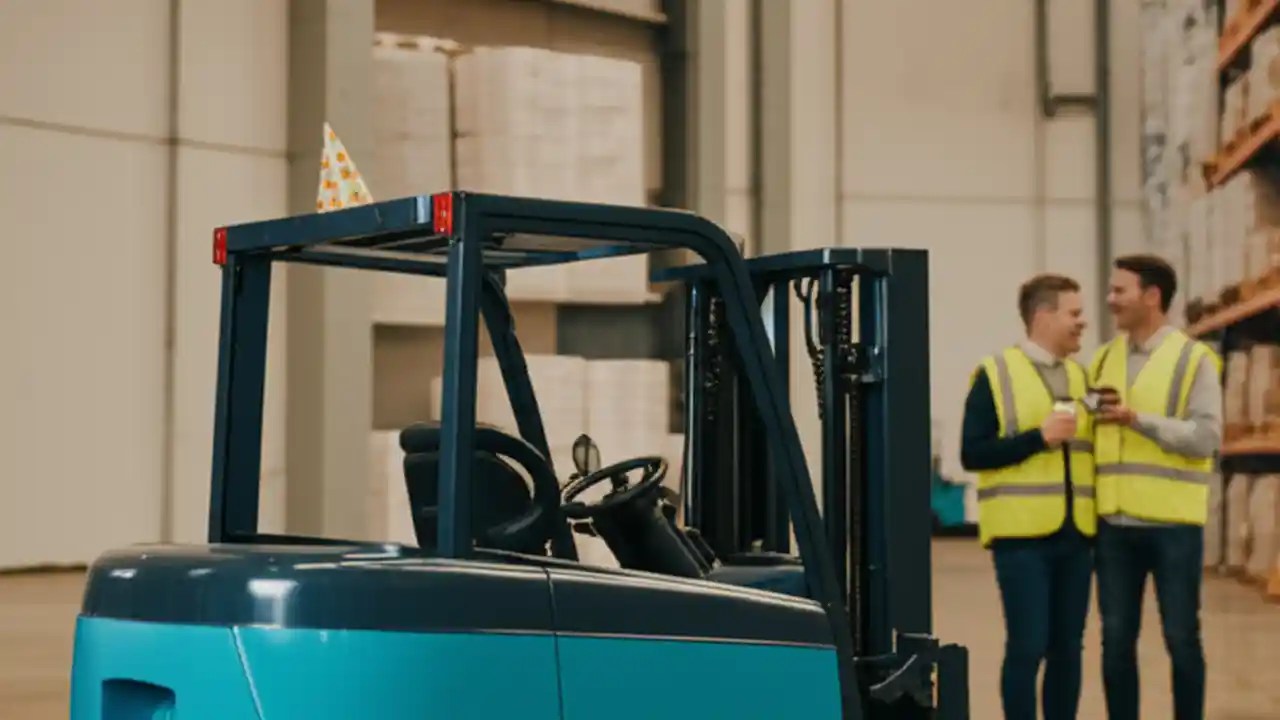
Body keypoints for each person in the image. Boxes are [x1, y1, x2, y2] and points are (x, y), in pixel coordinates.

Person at [1089, 254, 1222, 720]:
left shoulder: (1194, 360)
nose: (1110, 300)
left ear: (1152, 296)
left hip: (1173, 527)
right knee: (1115, 641)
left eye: (1119, 291)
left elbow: (1206, 437)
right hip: (1114, 525)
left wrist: (1137, 419)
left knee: (1182, 639)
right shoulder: (1103, 358)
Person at [960, 273, 1095, 720]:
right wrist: (1039, 438)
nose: (1083, 322)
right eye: (1074, 313)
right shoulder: (995, 375)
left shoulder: (1082, 376)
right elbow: (972, 452)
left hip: (1076, 536)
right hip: (1020, 539)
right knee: (1028, 645)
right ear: (1043, 315)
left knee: (1067, 649)